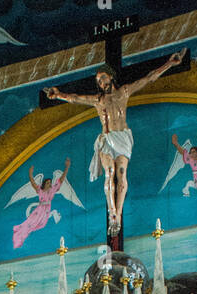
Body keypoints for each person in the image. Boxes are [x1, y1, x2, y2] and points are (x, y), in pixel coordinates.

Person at [45, 51, 186, 236]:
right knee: (109, 173)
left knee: (121, 173)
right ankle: (112, 214)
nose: (102, 83)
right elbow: (75, 98)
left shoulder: (124, 92)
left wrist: (169, 64)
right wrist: (59, 95)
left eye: (103, 78)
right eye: (99, 82)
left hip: (122, 138)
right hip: (106, 139)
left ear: (111, 76)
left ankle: (118, 213)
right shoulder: (98, 100)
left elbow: (148, 78)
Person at [12, 158, 71, 250]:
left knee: (40, 225)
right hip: (39, 210)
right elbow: (32, 182)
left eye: (50, 182)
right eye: (47, 182)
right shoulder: (40, 190)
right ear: (44, 184)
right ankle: (19, 237)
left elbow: (61, 179)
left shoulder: (53, 190)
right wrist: (30, 173)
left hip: (46, 211)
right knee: (29, 224)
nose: (49, 184)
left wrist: (67, 167)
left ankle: (21, 234)